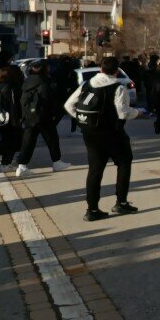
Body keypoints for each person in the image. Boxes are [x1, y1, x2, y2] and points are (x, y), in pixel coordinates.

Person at [65, 56, 143, 221]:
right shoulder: (117, 87)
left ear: (101, 69)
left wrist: (83, 121)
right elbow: (123, 113)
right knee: (123, 162)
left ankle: (92, 209)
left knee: (95, 170)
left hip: (90, 134)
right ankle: (121, 202)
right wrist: (137, 113)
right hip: (112, 133)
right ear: (116, 71)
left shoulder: (87, 85)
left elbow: (69, 105)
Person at [15, 60, 71, 177]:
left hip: (29, 116)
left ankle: (21, 166)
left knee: (28, 141)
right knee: (52, 139)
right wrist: (56, 113)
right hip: (43, 117)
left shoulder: (27, 82)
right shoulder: (44, 82)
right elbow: (48, 100)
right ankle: (57, 162)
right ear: (44, 69)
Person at [0, 66, 22, 169]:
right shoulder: (10, 87)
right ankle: (6, 162)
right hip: (10, 118)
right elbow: (13, 105)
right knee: (12, 140)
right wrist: (17, 120)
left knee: (5, 139)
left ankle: (2, 159)